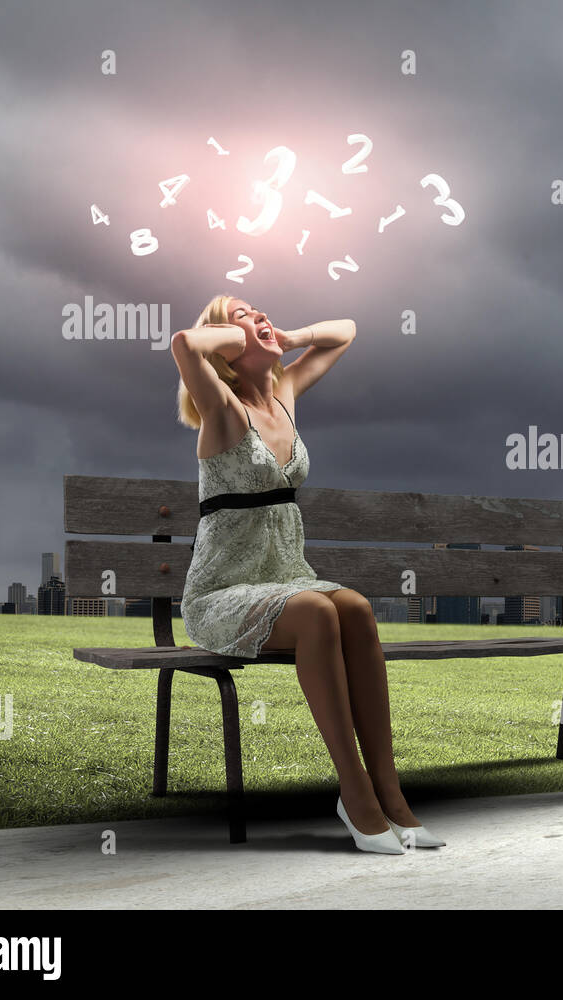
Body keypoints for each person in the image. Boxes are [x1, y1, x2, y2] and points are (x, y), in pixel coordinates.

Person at [170, 294, 444, 855]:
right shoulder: (221, 406)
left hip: (289, 578)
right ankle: (355, 792)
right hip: (223, 593)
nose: (259, 317)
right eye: (242, 316)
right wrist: (240, 335)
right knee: (321, 611)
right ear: (226, 346)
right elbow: (183, 344)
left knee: (356, 607)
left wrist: (281, 338)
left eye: (259, 310)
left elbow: (345, 331)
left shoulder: (286, 394)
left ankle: (391, 793)